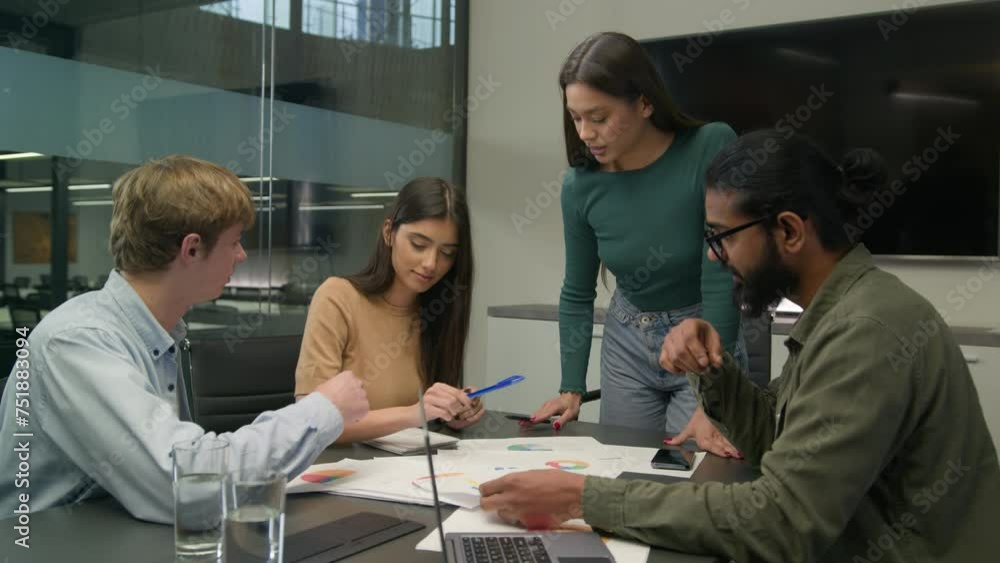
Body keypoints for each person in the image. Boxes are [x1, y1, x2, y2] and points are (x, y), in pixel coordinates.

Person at [479, 131, 1000, 562]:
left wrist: (583, 498)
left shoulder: (867, 330)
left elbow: (781, 521)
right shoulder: (840, 310)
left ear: (790, 231)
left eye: (721, 237)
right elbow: (776, 439)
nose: (713, 257)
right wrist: (713, 371)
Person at [0, 155, 369, 523]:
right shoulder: (78, 342)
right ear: (191, 249)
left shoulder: (156, 333)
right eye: (235, 241)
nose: (241, 255)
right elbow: (185, 486)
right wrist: (324, 409)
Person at [526, 31, 745, 458]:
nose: (586, 133)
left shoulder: (710, 147)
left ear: (645, 103)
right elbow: (576, 292)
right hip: (628, 340)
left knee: (695, 476)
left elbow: (722, 274)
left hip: (701, 336)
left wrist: (712, 396)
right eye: (575, 118)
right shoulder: (580, 186)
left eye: (599, 117)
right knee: (622, 470)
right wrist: (571, 387)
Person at [294, 177, 483, 442]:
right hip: (344, 472)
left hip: (406, 473)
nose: (431, 263)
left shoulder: (438, 311)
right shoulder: (337, 297)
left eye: (448, 253)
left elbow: (426, 414)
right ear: (388, 233)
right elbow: (312, 423)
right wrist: (416, 414)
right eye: (419, 244)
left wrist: (452, 409)